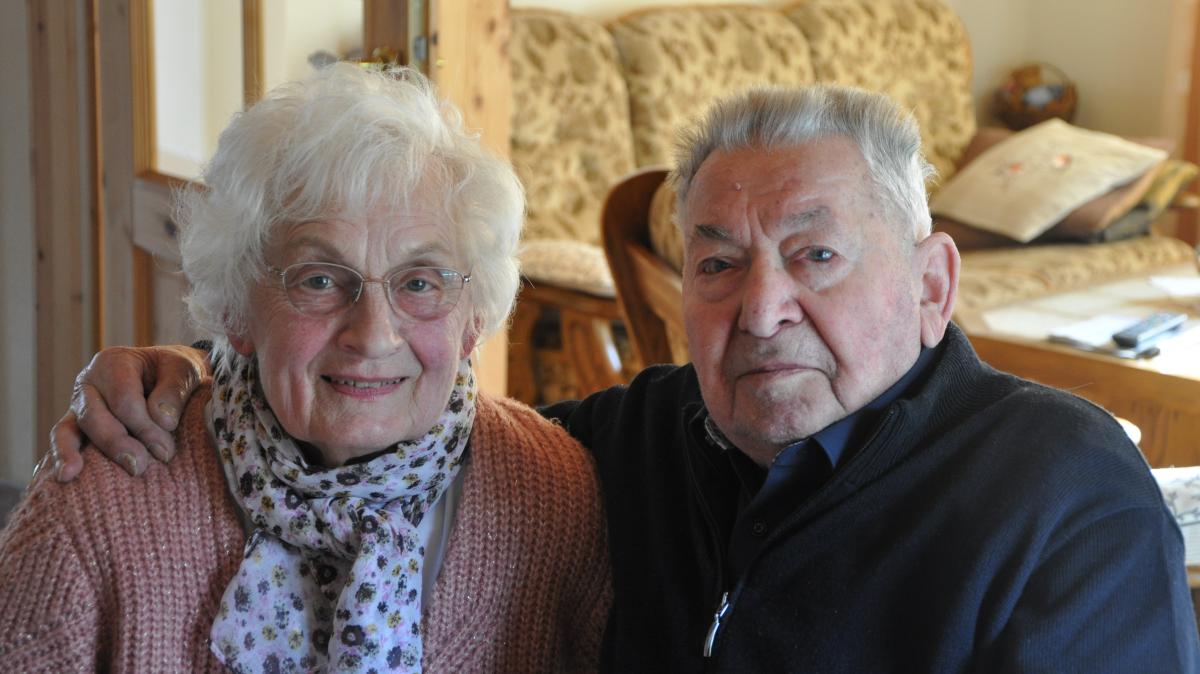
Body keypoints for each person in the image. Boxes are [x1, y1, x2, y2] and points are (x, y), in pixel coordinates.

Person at [45, 84, 1200, 671]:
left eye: (817, 254)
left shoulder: (1062, 495)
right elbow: (393, 412)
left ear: (934, 283)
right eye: (717, 261)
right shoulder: (624, 443)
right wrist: (201, 366)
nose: (762, 307)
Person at [0, 63, 610, 672]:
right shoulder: (100, 506)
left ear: (473, 318)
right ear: (237, 309)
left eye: (420, 283)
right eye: (319, 279)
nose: (374, 336)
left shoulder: (559, 502)